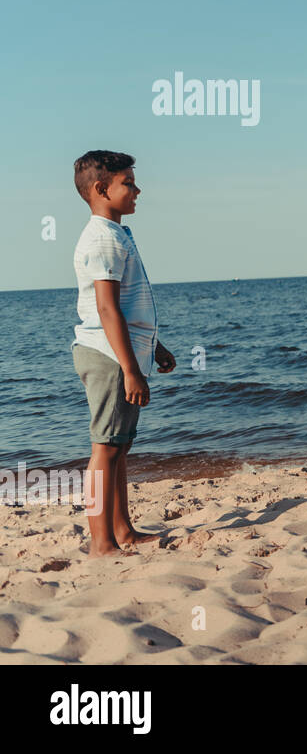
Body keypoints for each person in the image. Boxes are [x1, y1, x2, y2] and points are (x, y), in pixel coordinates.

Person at [70, 151, 176, 557]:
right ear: (102, 189)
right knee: (105, 448)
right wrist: (131, 369)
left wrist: (155, 346)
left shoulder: (117, 234)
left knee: (119, 446)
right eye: (127, 182)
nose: (137, 189)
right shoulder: (102, 239)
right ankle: (101, 543)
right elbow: (107, 309)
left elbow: (129, 308)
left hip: (121, 352)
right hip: (108, 356)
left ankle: (123, 531)